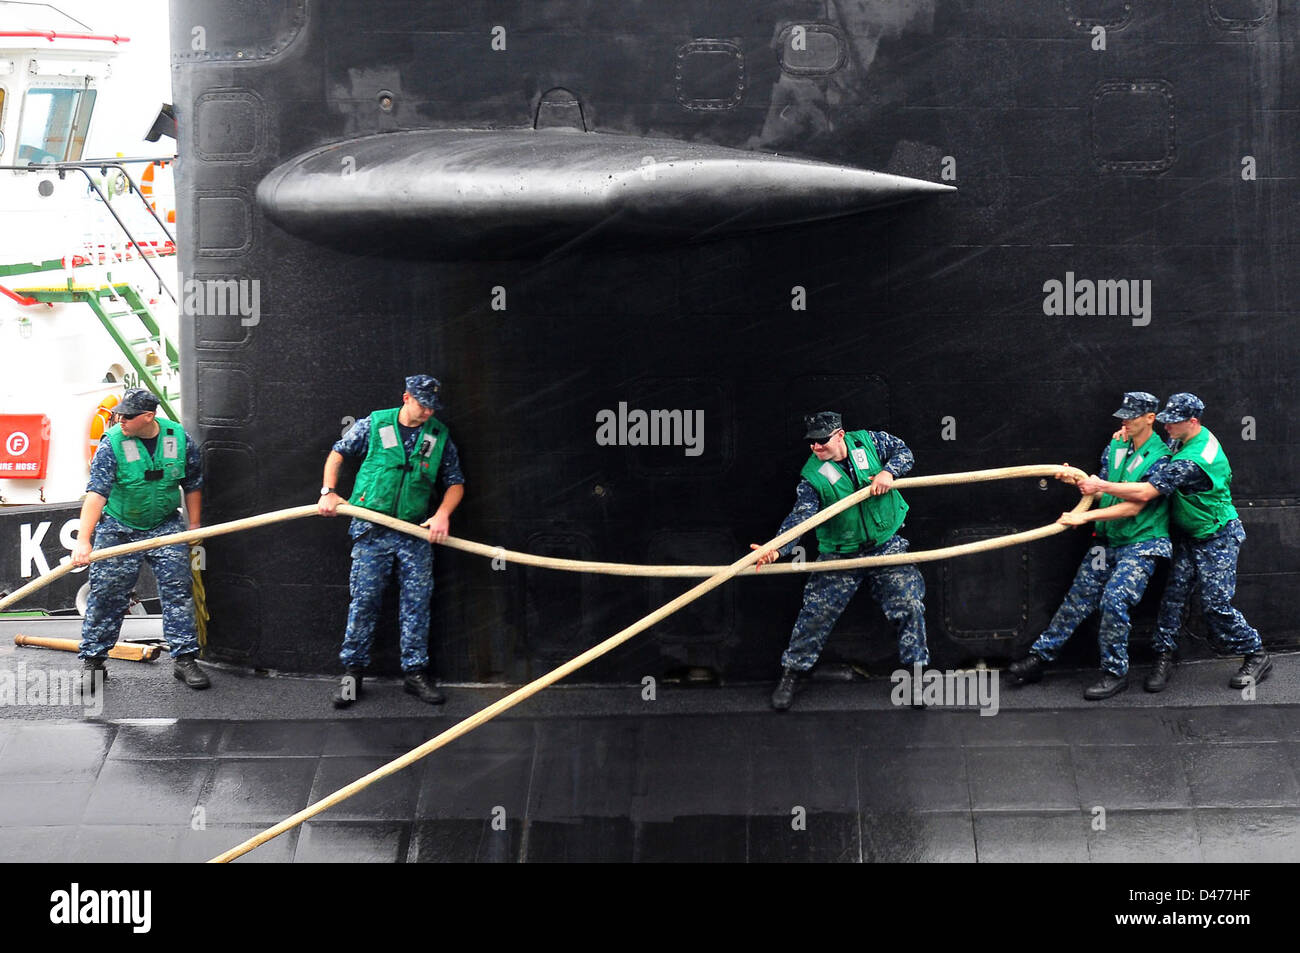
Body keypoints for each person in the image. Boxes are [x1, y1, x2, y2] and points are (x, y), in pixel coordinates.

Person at [1078, 393, 1269, 691]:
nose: (1166, 426)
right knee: (1172, 600)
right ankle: (1164, 656)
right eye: (1165, 419)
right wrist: (1127, 435)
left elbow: (1144, 493)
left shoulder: (1192, 460)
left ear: (1192, 421)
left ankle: (1255, 653)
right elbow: (1160, 448)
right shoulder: (1183, 439)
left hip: (1216, 536)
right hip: (1188, 536)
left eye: (1173, 422)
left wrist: (1099, 485)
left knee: (1215, 604)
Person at [750, 411, 929, 710]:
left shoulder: (869, 442)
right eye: (812, 443)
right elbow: (801, 518)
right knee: (815, 613)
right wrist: (776, 549)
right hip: (841, 553)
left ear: (840, 435)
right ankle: (793, 672)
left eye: (822, 441)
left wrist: (889, 473)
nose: (816, 448)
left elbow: (904, 451)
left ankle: (918, 674)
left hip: (886, 545)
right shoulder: (813, 475)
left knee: (910, 604)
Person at [1006, 392, 1172, 699]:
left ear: (1150, 418)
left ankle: (1114, 672)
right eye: (1123, 414)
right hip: (1108, 540)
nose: (1125, 420)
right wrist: (1079, 484)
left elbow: (1134, 504)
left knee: (1114, 599)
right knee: (1077, 599)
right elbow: (1105, 494)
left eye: (1132, 416)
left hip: (1141, 543)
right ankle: (1041, 658)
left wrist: (1085, 516)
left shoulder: (1160, 457)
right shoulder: (1116, 446)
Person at [318, 374, 464, 707]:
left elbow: (455, 482)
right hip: (372, 530)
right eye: (423, 405)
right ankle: (352, 674)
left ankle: (415, 674)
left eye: (432, 407)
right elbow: (337, 454)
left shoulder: (439, 436)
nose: (428, 412)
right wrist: (329, 492)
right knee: (364, 602)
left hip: (414, 533)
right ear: (407, 398)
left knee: (417, 604)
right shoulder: (374, 424)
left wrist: (442, 514)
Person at [73, 388, 208, 690]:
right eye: (119, 414)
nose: (120, 420)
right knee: (106, 594)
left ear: (148, 417)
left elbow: (193, 482)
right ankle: (93, 662)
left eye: (127, 416)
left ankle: (184, 659)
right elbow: (96, 493)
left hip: (165, 525)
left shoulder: (178, 438)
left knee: (178, 591)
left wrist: (195, 526)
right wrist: (84, 540)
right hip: (119, 528)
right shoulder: (113, 444)